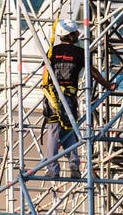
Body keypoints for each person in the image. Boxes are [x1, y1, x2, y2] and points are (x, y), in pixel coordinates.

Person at [43, 18, 116, 180]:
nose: (77, 35)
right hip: (68, 97)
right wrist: (107, 85)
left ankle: (53, 169)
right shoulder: (79, 53)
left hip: (53, 97)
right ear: (69, 35)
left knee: (55, 131)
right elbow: (93, 72)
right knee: (69, 130)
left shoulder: (51, 52)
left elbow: (45, 76)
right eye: (75, 33)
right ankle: (73, 164)